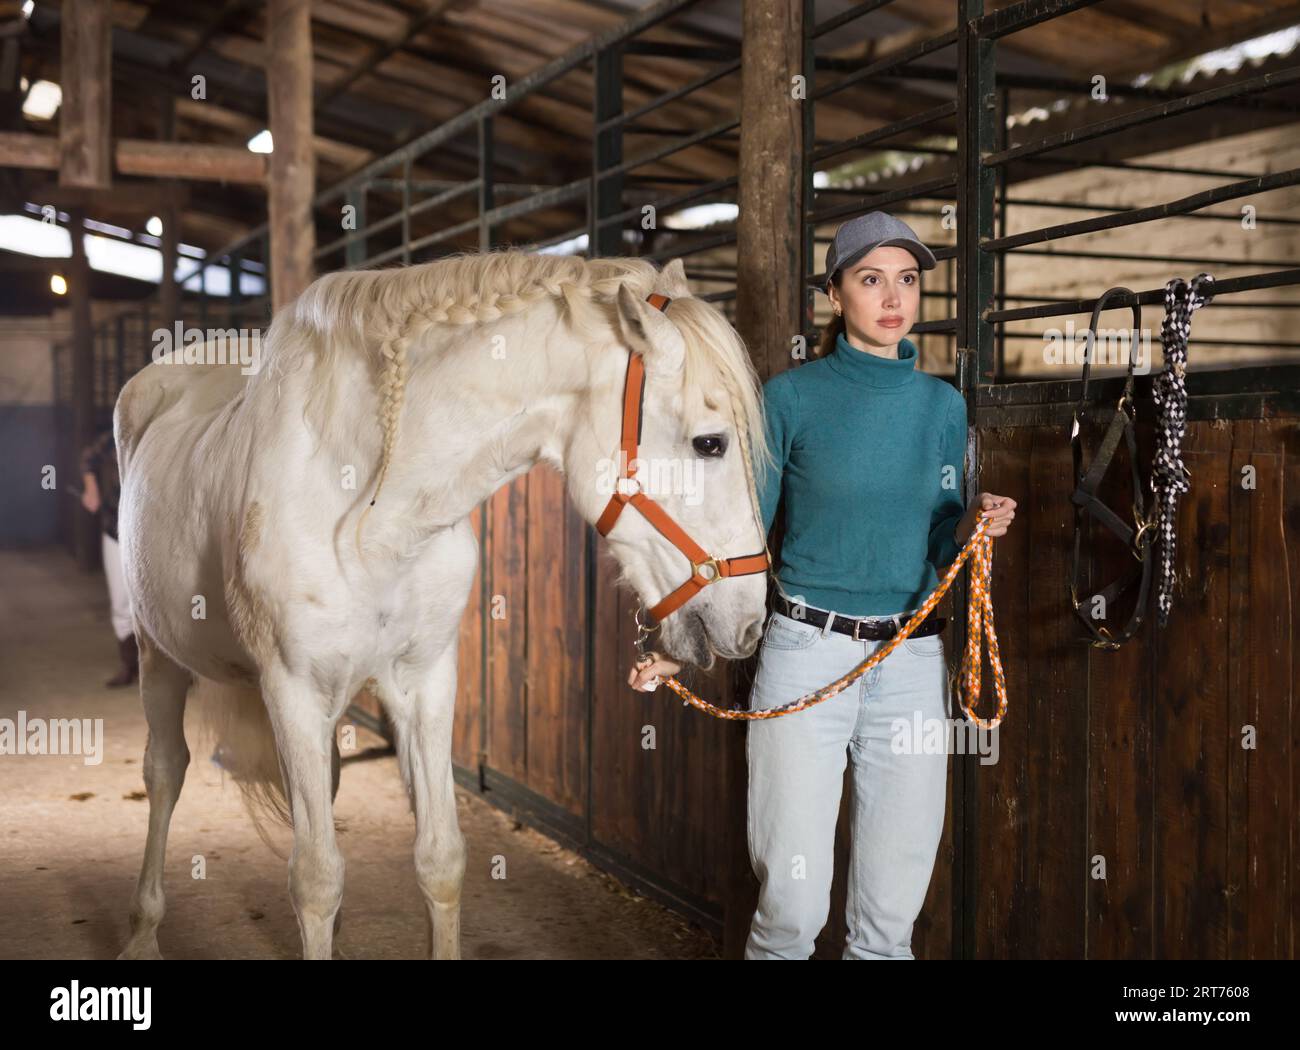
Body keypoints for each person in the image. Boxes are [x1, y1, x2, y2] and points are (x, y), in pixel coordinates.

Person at [628, 212, 1016, 958]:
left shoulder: (943, 407)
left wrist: (971, 529)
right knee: (790, 911)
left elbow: (938, 542)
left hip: (910, 663)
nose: (892, 296)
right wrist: (682, 642)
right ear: (836, 295)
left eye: (906, 279)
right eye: (870, 279)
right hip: (806, 651)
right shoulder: (790, 399)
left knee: (888, 922)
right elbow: (743, 534)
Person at [81, 426, 138, 687]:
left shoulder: (165, 428)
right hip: (114, 526)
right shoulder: (117, 431)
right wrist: (91, 488)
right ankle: (129, 665)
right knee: (120, 601)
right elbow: (88, 458)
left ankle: (169, 667)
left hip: (154, 530)